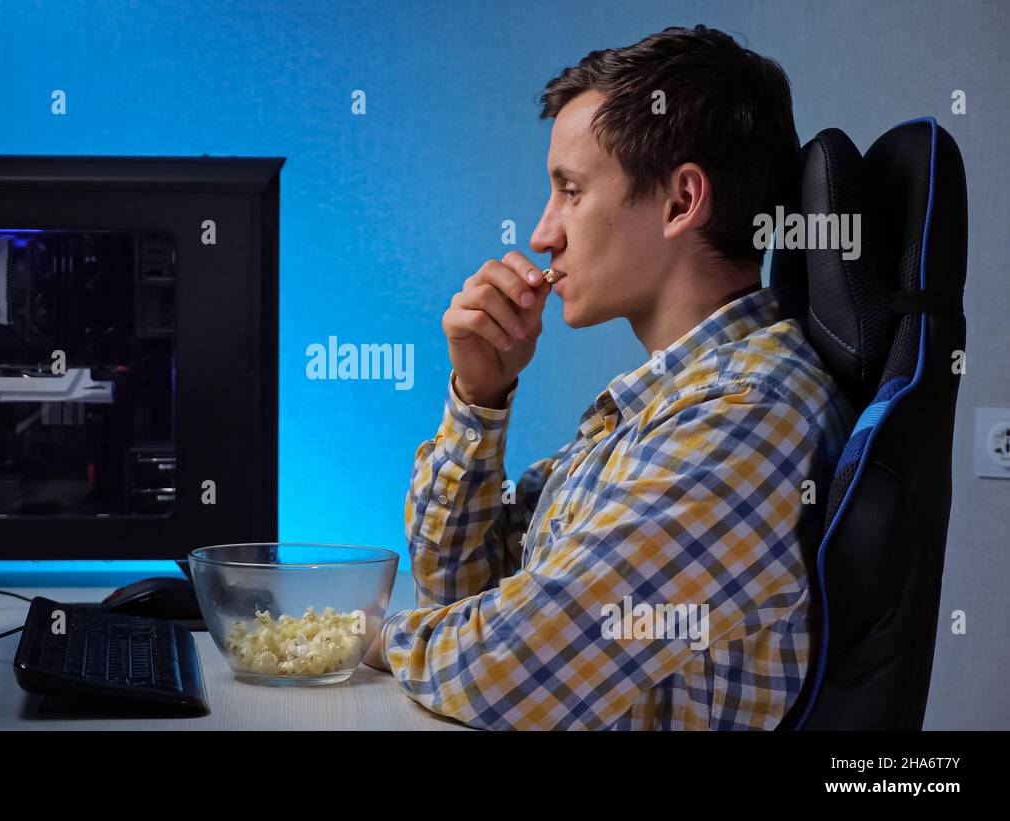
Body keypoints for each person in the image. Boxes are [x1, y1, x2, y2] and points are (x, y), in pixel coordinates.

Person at [363, 24, 854, 730]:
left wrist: (371, 638)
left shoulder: (746, 419)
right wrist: (480, 400)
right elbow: (457, 591)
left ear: (682, 202)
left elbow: (505, 674)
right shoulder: (666, 406)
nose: (542, 233)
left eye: (570, 191)